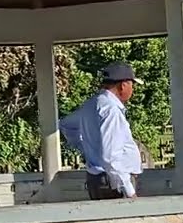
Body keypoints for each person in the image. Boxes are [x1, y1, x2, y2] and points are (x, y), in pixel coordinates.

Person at [59, 61, 144, 200]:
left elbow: (66, 124)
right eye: (131, 85)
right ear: (123, 85)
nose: (132, 90)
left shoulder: (91, 104)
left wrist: (84, 147)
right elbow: (111, 157)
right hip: (114, 184)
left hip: (97, 179)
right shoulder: (111, 110)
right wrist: (129, 191)